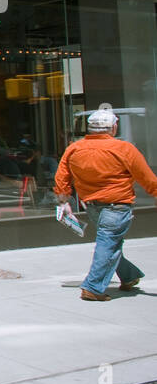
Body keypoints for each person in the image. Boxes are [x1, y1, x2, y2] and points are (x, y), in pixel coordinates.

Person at [54, 107, 157, 301]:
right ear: (113, 128)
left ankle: (129, 276)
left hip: (91, 205)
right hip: (116, 205)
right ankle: (93, 287)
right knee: (108, 243)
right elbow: (146, 177)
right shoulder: (124, 148)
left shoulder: (74, 148)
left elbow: (61, 177)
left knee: (109, 243)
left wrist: (63, 200)